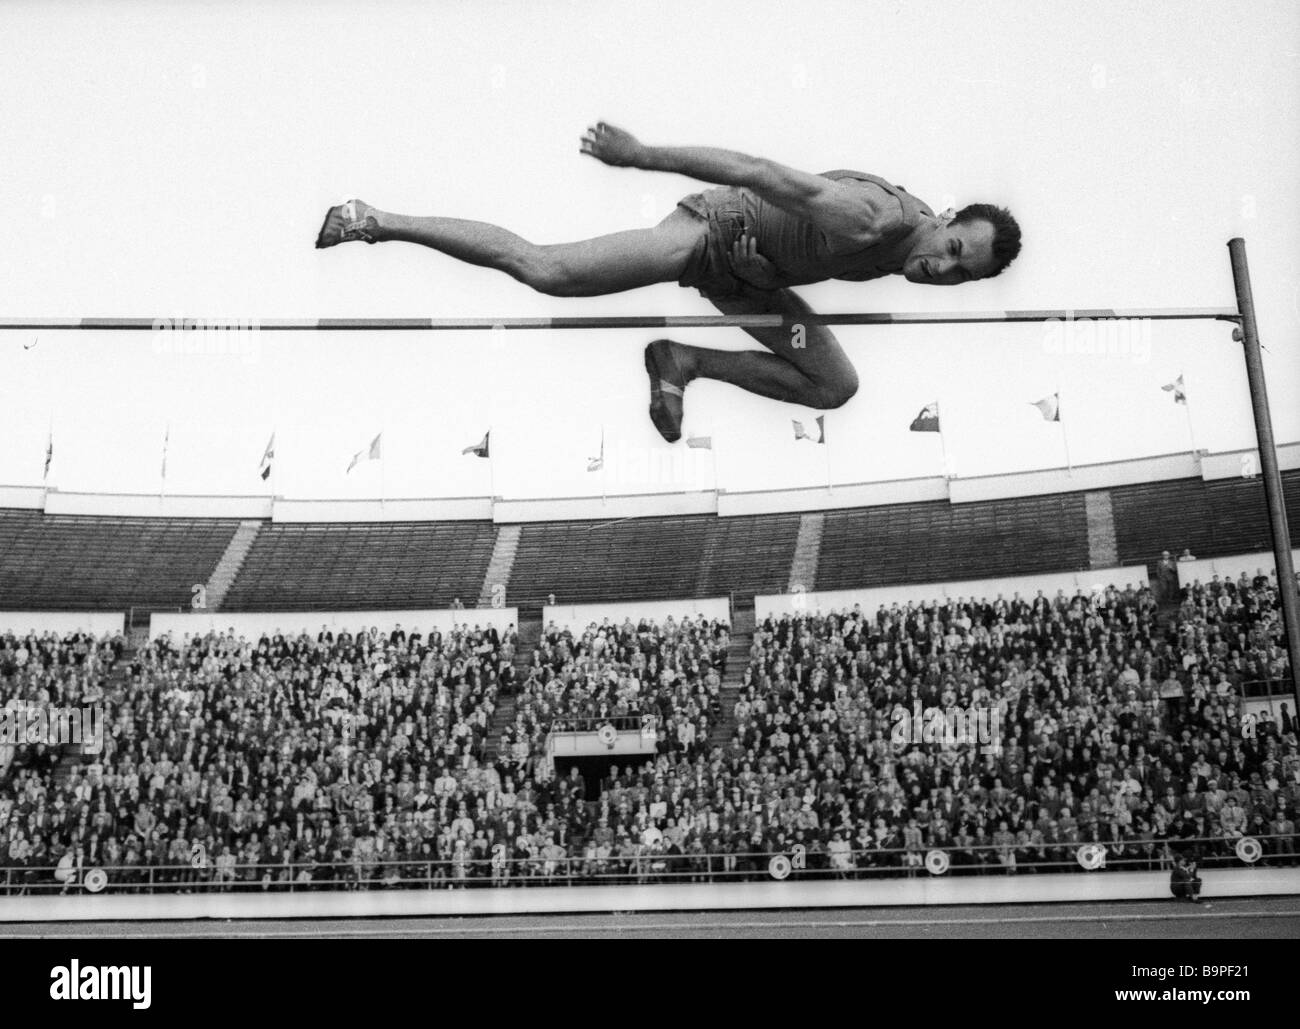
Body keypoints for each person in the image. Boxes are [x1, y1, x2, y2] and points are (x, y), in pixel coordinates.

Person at [317, 122, 1020, 442]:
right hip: (717, 231)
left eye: (961, 275)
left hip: (752, 276)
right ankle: (373, 219)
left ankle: (682, 361)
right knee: (546, 271)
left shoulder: (910, 247)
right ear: (948, 215)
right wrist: (640, 155)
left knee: (835, 385)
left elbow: (799, 245)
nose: (942, 268)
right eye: (955, 248)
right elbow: (759, 171)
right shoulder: (876, 220)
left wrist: (761, 277)